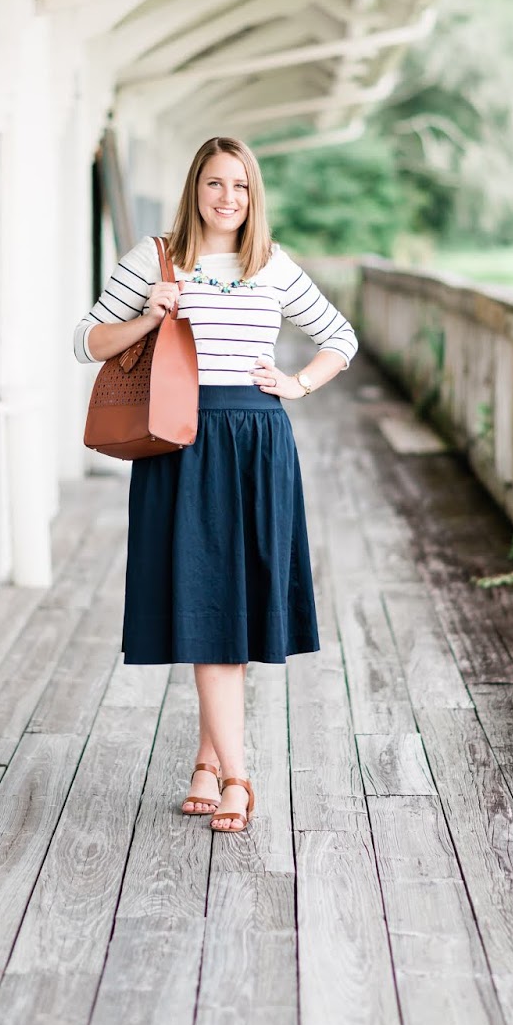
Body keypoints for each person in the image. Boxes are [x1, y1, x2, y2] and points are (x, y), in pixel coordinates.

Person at [73, 135, 357, 833]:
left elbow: (340, 338)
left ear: (253, 196)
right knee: (209, 609)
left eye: (241, 186)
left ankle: (207, 763)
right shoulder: (157, 258)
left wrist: (296, 384)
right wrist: (151, 314)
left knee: (234, 607)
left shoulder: (271, 263)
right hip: (183, 442)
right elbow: (86, 340)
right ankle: (238, 776)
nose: (228, 198)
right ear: (194, 190)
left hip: (258, 441)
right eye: (215, 184)